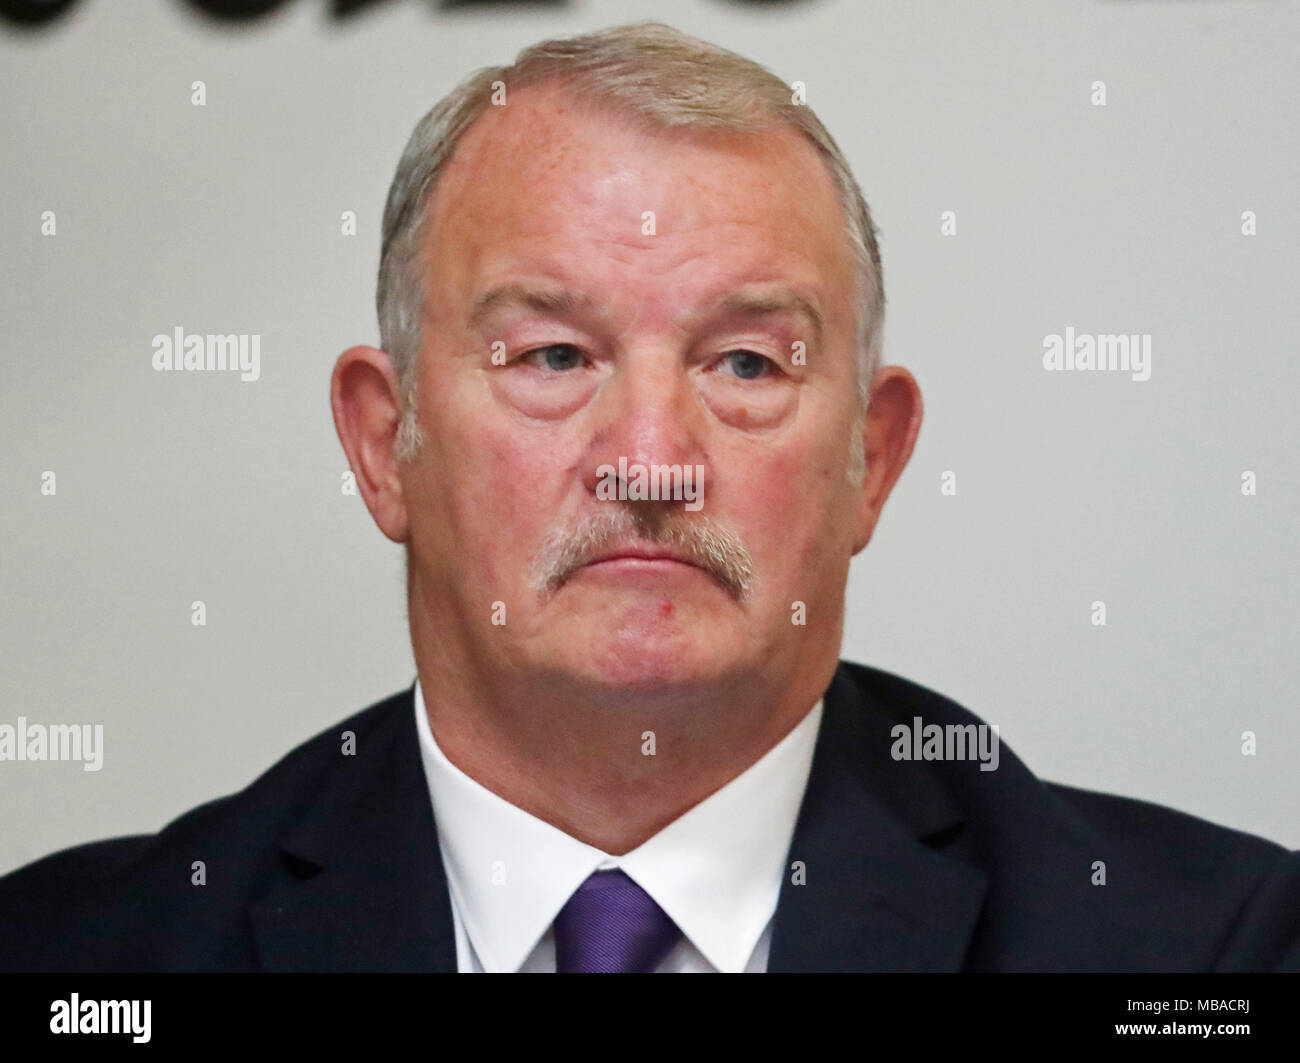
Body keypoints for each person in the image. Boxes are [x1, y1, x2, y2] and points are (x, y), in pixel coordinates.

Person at [2, 21, 1297, 973]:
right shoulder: (86, 962)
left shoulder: (1207, 958)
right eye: (554, 357)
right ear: (384, 442)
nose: (651, 462)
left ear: (874, 459)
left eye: (745, 363)